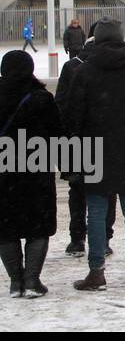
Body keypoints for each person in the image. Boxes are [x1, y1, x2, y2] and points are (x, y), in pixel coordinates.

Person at [63, 18, 125, 291]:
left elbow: (74, 118)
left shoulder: (85, 72)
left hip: (94, 151)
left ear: (97, 40)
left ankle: (96, 271)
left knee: (96, 212)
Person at [0, 51, 62, 297]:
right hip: (36, 172)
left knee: (6, 228)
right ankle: (33, 281)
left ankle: (16, 282)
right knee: (38, 227)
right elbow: (58, 136)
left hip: (3, 175)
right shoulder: (42, 98)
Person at [54, 30, 114, 257]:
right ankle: (104, 239)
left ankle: (77, 239)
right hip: (105, 141)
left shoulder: (71, 67)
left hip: (76, 141)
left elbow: (60, 104)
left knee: (77, 192)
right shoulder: (109, 67)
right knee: (107, 193)